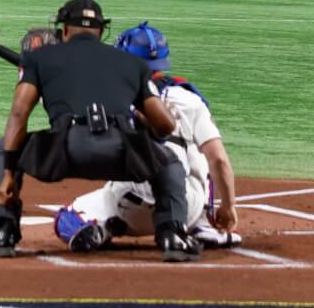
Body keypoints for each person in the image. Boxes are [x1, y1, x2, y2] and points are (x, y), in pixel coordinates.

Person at [0, 0, 201, 262]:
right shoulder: (133, 64)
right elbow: (165, 125)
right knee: (170, 161)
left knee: (2, 151)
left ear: (64, 30)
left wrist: (10, 173)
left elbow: (18, 114)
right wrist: (140, 124)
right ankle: (172, 235)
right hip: (122, 154)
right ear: (102, 31)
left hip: (63, 151)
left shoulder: (40, 59)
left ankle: (2, 233)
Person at [53, 22, 240, 250]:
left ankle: (105, 227)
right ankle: (200, 224)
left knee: (66, 219)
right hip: (184, 205)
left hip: (129, 205)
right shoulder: (189, 100)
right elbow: (219, 160)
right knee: (197, 148)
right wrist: (228, 207)